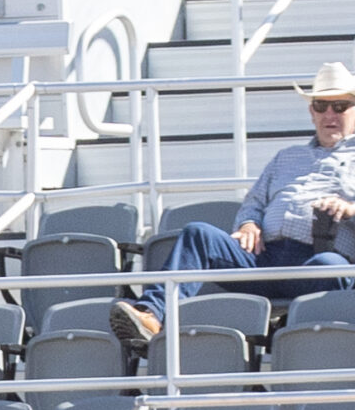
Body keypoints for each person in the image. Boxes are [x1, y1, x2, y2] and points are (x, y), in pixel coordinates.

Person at [110, 60, 355, 350]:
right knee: (198, 234)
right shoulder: (285, 157)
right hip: (264, 258)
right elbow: (252, 203)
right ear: (311, 112)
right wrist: (249, 223)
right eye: (321, 106)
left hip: (316, 261)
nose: (330, 114)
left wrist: (350, 209)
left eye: (340, 106)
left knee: (330, 267)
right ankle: (151, 316)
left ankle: (292, 333)